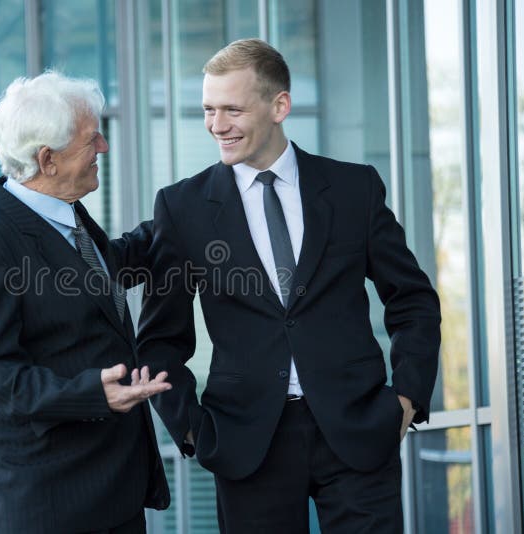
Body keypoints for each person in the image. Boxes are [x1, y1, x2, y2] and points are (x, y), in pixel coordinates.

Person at [137, 38, 441, 533]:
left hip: (358, 429)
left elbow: (412, 299)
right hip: (245, 441)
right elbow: (159, 338)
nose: (217, 125)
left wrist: (406, 397)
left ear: (280, 106)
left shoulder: (352, 189)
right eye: (209, 110)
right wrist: (192, 429)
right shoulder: (182, 207)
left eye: (232, 109)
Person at [0, 72, 170, 533]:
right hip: (52, 504)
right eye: (92, 140)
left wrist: (185, 212)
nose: (103, 148)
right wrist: (92, 393)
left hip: (116, 493)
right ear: (47, 159)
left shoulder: (67, 216)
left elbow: (108, 270)